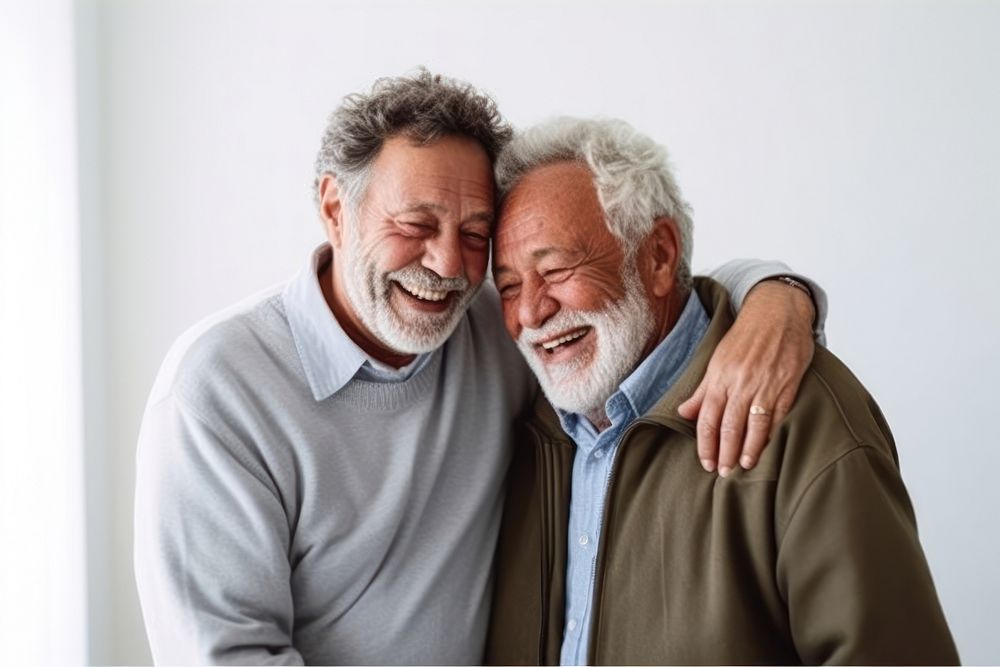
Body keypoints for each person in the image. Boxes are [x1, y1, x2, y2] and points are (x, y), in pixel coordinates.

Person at [134, 71, 824, 665]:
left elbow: (651, 297)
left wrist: (777, 295)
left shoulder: (499, 329)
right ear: (335, 209)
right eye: (415, 224)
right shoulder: (218, 389)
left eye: (473, 236)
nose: (447, 266)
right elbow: (229, 653)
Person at [484, 117, 959, 665]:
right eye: (510, 286)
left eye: (558, 268)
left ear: (659, 255)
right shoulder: (528, 427)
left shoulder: (802, 417)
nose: (529, 313)